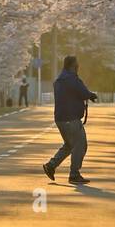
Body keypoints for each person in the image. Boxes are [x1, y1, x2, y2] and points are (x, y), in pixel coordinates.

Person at [42, 54, 98, 186]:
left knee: (69, 145)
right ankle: (74, 174)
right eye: (77, 63)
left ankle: (51, 166)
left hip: (60, 119)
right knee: (80, 145)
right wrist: (91, 95)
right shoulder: (72, 79)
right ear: (73, 65)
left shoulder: (59, 80)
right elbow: (83, 92)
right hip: (71, 118)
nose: (78, 66)